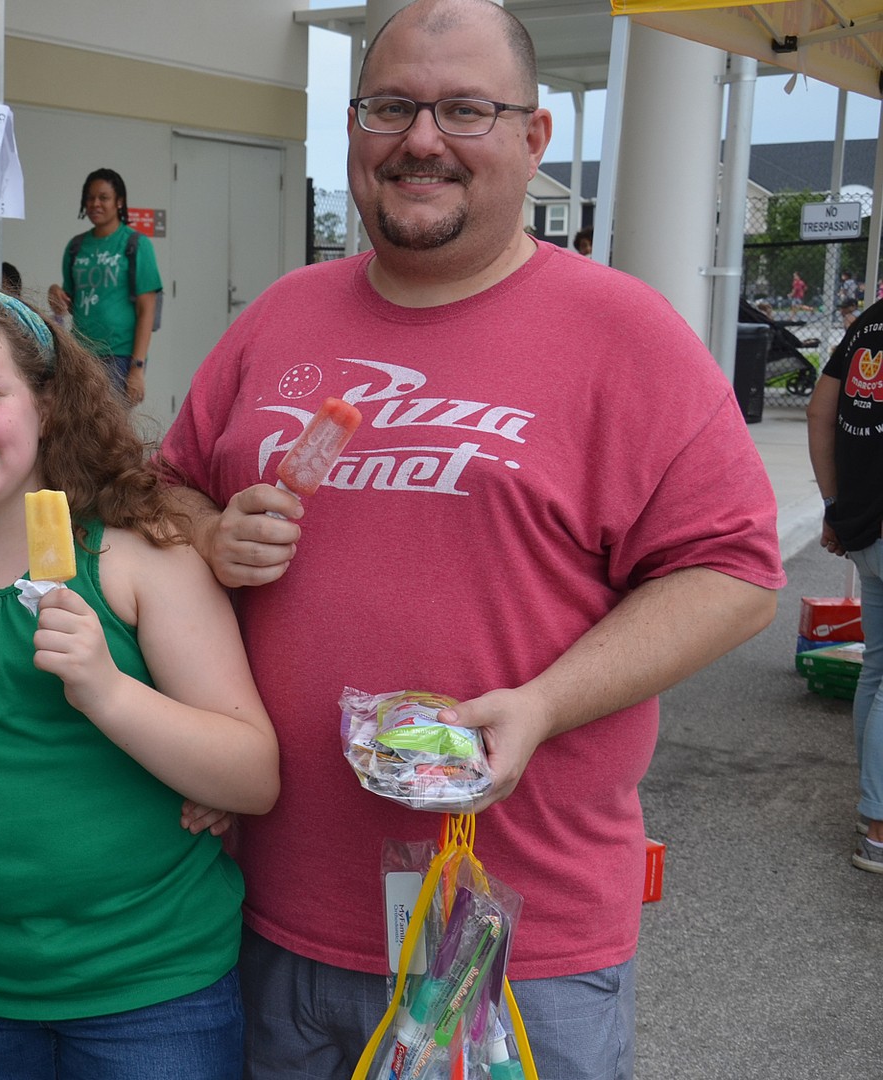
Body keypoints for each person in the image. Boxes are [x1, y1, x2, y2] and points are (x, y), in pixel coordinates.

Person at [152, 3, 783, 1078]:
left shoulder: (625, 334)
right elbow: (159, 493)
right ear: (354, 129)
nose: (422, 139)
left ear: (534, 141)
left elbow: (732, 571)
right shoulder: (279, 318)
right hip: (265, 919)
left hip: (510, 943)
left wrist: (542, 705)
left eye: (465, 110)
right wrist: (210, 529)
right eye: (392, 105)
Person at [0, 287, 280, 1079]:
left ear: (47, 405)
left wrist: (109, 691)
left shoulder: (136, 558)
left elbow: (252, 775)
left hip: (154, 990)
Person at [807, 297, 883, 873]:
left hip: (862, 523)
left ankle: (869, 809)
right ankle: (878, 827)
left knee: (876, 669)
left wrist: (834, 505)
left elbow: (819, 412)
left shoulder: (868, 322)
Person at [45, 168, 162, 405]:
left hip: (119, 356)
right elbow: (69, 303)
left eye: (104, 197)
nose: (95, 203)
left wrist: (137, 368)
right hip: (81, 354)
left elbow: (146, 310)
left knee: (109, 433)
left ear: (119, 202)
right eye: (90, 197)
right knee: (79, 429)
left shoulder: (136, 244)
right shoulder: (76, 246)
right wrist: (54, 293)